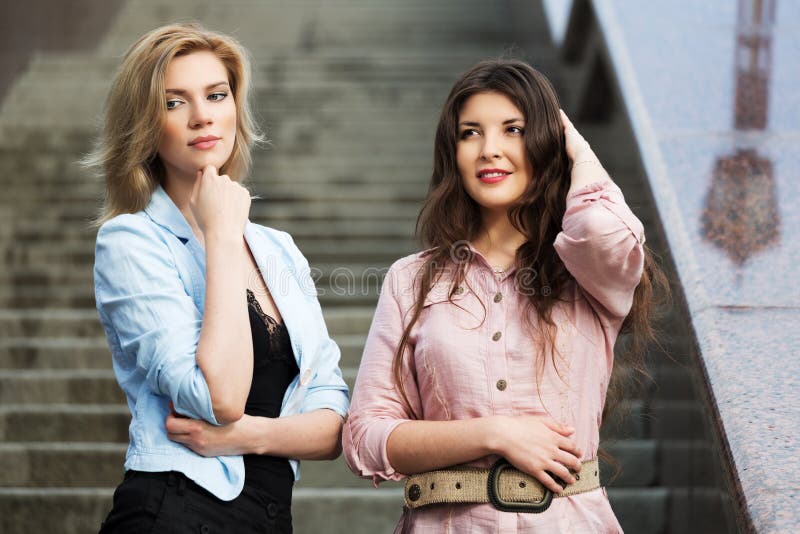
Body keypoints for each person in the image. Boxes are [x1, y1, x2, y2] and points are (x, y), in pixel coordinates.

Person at [343, 59, 665, 532]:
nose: (489, 150)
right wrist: (494, 433)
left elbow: (606, 232)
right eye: (470, 133)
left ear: (545, 141)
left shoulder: (588, 269)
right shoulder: (410, 280)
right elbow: (364, 438)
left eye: (513, 130)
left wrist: (578, 151)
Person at [87, 23, 349, 533]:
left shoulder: (279, 250)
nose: (203, 115)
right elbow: (219, 396)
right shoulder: (130, 242)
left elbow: (333, 424)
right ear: (146, 123)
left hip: (268, 518)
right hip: (173, 511)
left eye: (216, 94)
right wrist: (223, 237)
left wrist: (243, 437)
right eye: (174, 102)